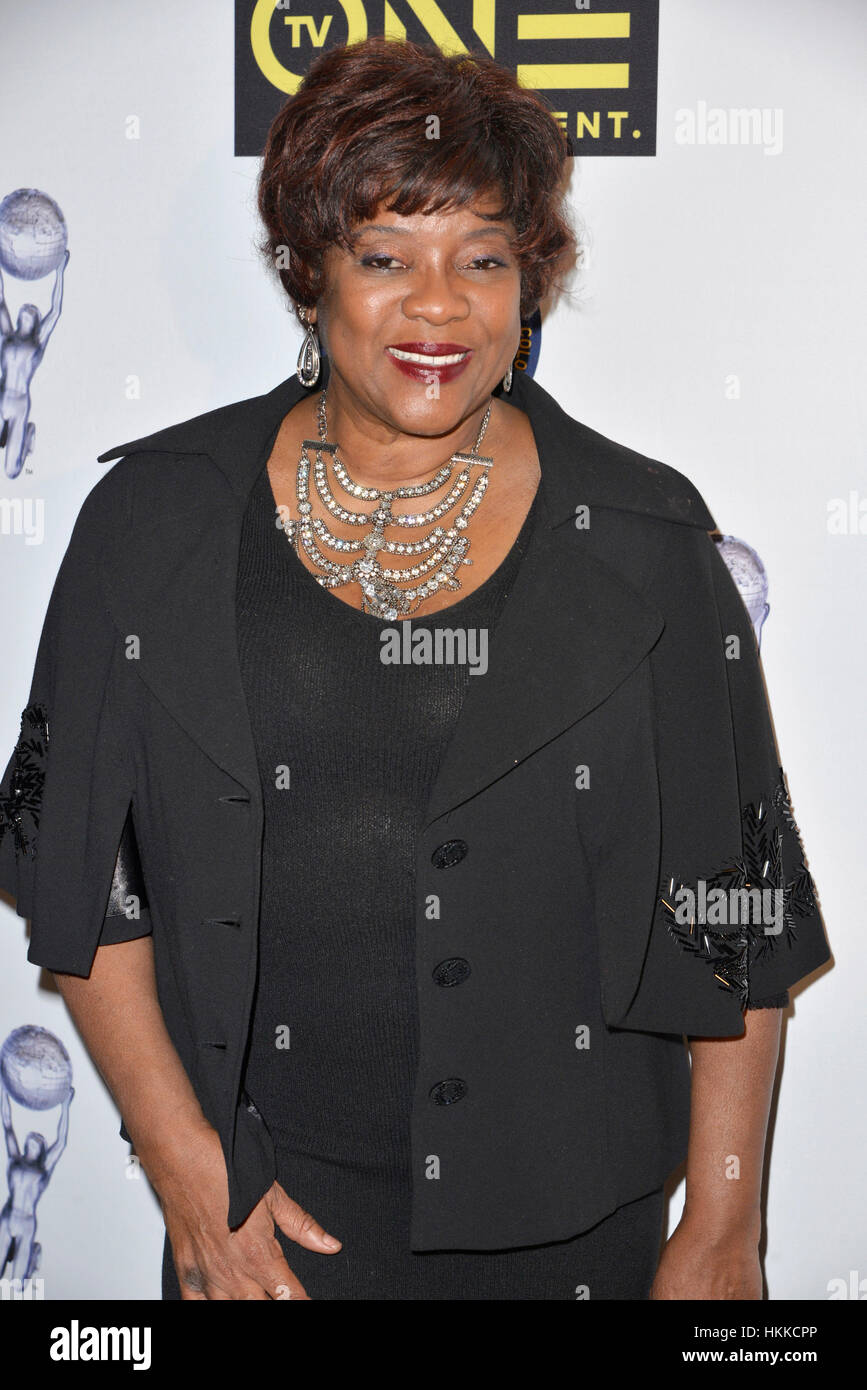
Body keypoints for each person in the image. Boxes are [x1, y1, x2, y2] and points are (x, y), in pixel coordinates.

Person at [0, 38, 830, 1301]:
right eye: (386, 258)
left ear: (527, 282)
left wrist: (723, 1232)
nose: (439, 309)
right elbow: (86, 879)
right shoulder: (155, 520)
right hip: (266, 1237)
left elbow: (737, 908)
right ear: (307, 272)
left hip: (578, 1243)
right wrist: (185, 1166)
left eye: (482, 260)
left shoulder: (646, 535)